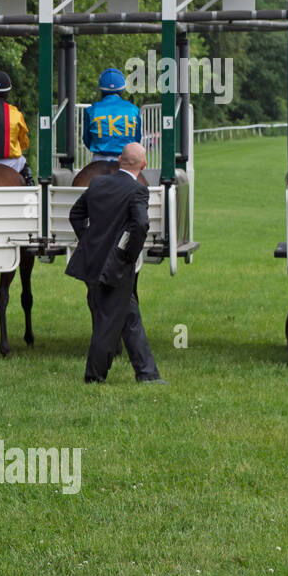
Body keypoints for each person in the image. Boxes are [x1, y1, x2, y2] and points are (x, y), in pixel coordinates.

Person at [65, 142, 164, 385]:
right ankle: (94, 376)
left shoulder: (97, 183)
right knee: (108, 322)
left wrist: (89, 241)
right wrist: (128, 253)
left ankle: (147, 374)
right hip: (116, 265)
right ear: (143, 165)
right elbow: (140, 225)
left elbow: (75, 214)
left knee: (129, 317)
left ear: (120, 159)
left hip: (93, 261)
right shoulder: (138, 191)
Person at [83, 67, 142, 162]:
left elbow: (87, 140)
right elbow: (137, 139)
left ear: (101, 89)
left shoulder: (91, 110)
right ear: (122, 89)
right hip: (125, 159)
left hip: (98, 158)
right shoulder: (133, 109)